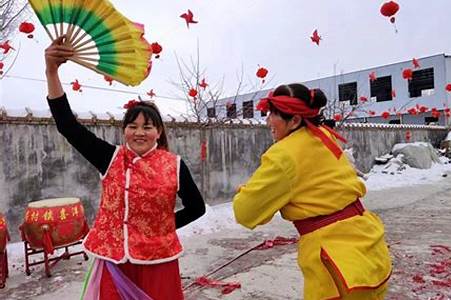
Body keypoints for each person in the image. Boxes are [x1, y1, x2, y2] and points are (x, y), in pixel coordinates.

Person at [44, 36, 206, 300]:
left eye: (147, 127)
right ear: (124, 131)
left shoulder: (173, 165)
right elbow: (67, 126)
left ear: (159, 132)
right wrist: (51, 71)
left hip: (158, 263)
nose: (139, 133)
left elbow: (197, 208)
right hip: (114, 261)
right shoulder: (111, 158)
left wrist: (161, 229)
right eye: (132, 126)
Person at [232, 83, 391, 300]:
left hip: (335, 256)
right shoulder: (325, 135)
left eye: (273, 114)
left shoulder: (283, 155)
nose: (268, 120)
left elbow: (245, 212)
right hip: (366, 244)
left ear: (295, 120)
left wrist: (245, 192)